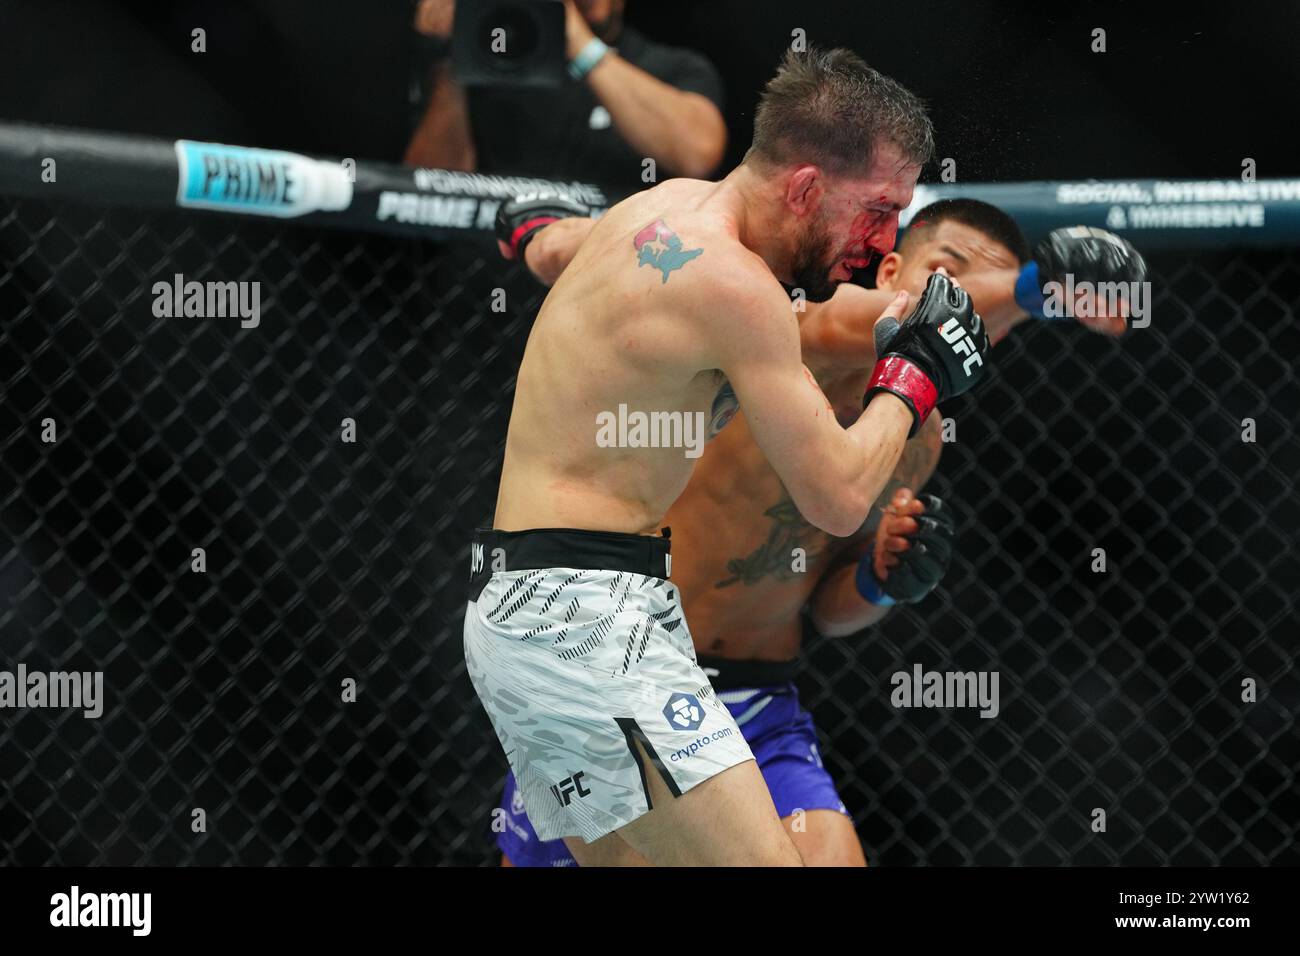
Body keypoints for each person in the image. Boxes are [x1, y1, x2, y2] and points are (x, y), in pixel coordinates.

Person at [492, 197, 1147, 865]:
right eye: (945, 278)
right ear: (890, 271)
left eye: (985, 302)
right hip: (627, 674)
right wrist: (1039, 289)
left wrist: (881, 579)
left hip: (759, 696)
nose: (963, 306)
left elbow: (826, 610)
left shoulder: (916, 434)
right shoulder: (789, 335)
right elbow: (854, 320)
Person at [463, 46, 996, 867]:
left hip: (526, 608)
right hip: (590, 615)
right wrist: (916, 377)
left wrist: (534, 228)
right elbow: (839, 500)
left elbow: (553, 249)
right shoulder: (736, 289)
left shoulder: (659, 208)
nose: (885, 239)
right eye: (880, 210)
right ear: (808, 188)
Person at [405, 0, 727, 197]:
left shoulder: (674, 68)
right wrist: (455, 53)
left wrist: (578, 42)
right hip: (493, 287)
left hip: (619, 279)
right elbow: (427, 189)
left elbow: (698, 152)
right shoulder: (497, 65)